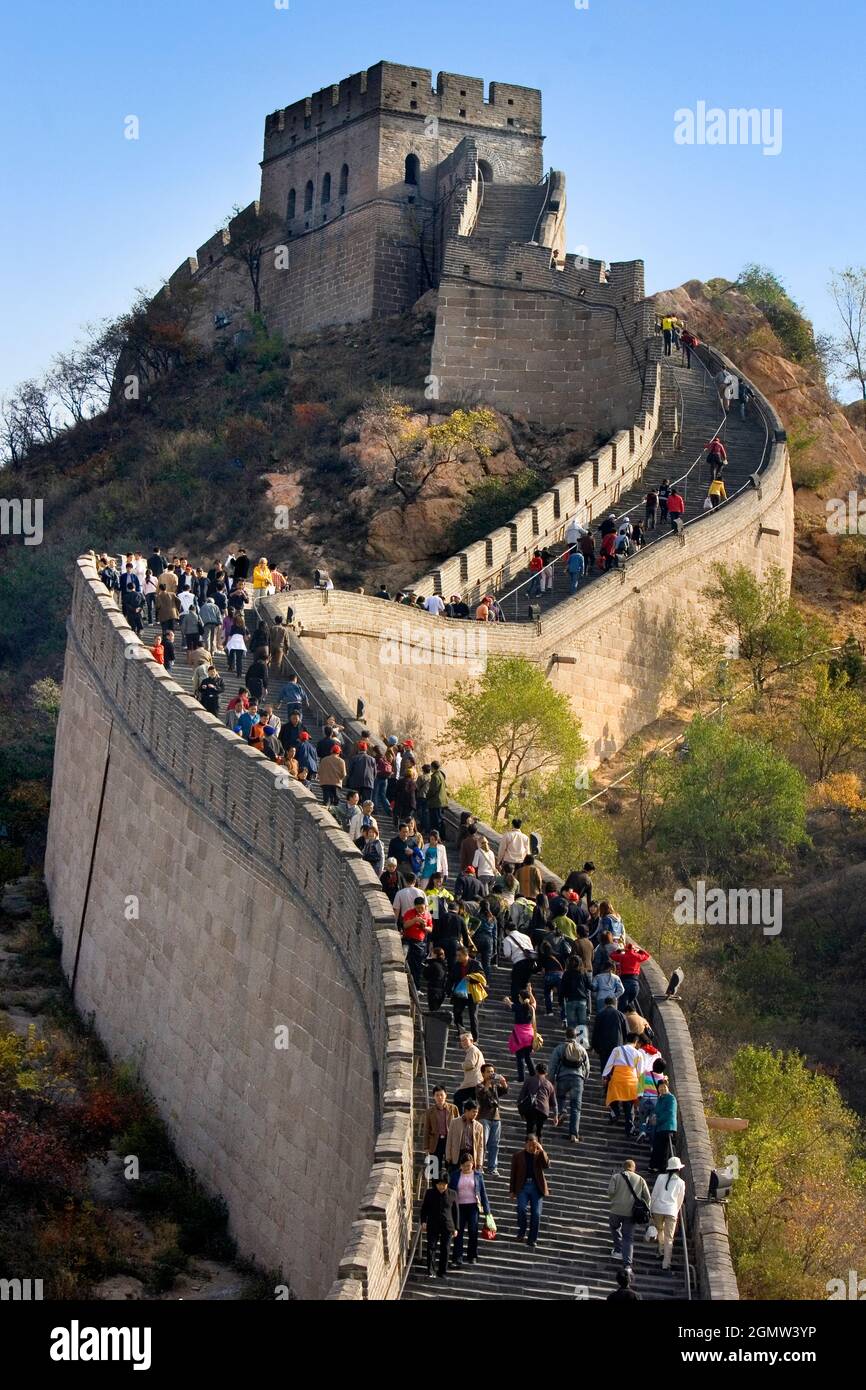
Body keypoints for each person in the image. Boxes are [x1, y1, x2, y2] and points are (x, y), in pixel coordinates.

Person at [448, 1152, 491, 1267]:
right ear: (461, 1166)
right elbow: (450, 1192)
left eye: (470, 1165)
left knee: (473, 1231)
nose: (468, 1167)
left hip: (473, 1206)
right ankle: (457, 1257)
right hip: (459, 1207)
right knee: (459, 1232)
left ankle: (472, 1255)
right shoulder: (455, 1175)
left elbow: (483, 1193)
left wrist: (488, 1212)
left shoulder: (478, 1175)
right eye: (465, 1165)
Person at [608, 1159, 650, 1273]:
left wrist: (615, 1200)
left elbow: (610, 1192)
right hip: (631, 1213)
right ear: (634, 1168)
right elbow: (647, 1198)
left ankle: (618, 1250)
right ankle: (627, 1265)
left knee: (614, 1227)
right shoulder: (640, 1179)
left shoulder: (616, 1177)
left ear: (623, 1167)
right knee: (628, 1238)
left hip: (616, 1210)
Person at [509, 1134, 550, 1250]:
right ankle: (522, 1231)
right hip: (523, 1187)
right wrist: (512, 1190)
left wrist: (541, 1150)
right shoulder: (518, 1156)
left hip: (536, 1188)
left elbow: (547, 1165)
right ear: (525, 1144)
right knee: (521, 1208)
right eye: (530, 1144)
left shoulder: (539, 1155)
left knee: (536, 1214)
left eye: (534, 1144)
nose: (532, 1147)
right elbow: (513, 1174)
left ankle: (532, 1239)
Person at [549, 1027, 589, 1142]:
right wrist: (583, 1080)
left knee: (560, 1097)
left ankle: (562, 1112)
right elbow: (587, 1067)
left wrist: (551, 1080)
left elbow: (552, 1066)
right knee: (576, 1107)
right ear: (576, 1037)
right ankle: (573, 1134)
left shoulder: (559, 1048)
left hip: (563, 1077)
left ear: (565, 1036)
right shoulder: (582, 1049)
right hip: (578, 1079)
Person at [603, 1035, 644, 1137]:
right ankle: (629, 1128)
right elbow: (641, 1073)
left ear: (626, 1040)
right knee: (628, 1106)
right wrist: (641, 1090)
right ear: (636, 1041)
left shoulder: (617, 1050)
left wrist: (604, 1076)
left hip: (618, 1079)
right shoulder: (638, 1054)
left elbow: (609, 1064)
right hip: (631, 1081)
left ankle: (615, 1112)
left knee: (614, 1097)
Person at [651, 1156, 686, 1270]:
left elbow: (654, 1194)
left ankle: (661, 1250)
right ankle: (666, 1262)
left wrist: (650, 1207)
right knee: (669, 1237)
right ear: (678, 1169)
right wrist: (675, 1211)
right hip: (671, 1210)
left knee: (660, 1231)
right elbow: (680, 1200)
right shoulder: (681, 1182)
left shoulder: (661, 1177)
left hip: (658, 1209)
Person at [420, 1174, 457, 1280]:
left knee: (445, 1249)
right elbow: (424, 1209)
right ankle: (430, 1271)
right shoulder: (430, 1193)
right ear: (436, 1184)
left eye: (444, 1184)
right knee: (431, 1247)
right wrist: (423, 1221)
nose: (441, 1187)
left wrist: (456, 1228)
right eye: (439, 1184)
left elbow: (455, 1212)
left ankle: (442, 1272)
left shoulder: (453, 1194)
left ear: (447, 1184)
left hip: (447, 1226)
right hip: (433, 1224)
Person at [476, 1064, 508, 1177]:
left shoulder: (494, 1086)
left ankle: (492, 1168)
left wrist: (503, 1082)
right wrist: (488, 1084)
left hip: (496, 1118)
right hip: (484, 1117)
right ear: (483, 1074)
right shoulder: (479, 1086)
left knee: (494, 1145)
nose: (491, 1074)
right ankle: (479, 1166)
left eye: (492, 1072)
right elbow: (482, 1098)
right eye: (488, 1072)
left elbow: (504, 1091)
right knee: (482, 1144)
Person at [517, 1061, 558, 1140]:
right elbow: (554, 1103)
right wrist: (555, 1116)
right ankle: (539, 1147)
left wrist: (520, 1110)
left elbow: (521, 1096)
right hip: (543, 1110)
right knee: (539, 1131)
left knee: (530, 1130)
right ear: (546, 1073)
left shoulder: (529, 1080)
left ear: (536, 1070)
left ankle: (530, 1148)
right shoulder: (550, 1085)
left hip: (531, 1108)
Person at [424, 1085, 458, 1179]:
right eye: (437, 1095)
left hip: (449, 1141)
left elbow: (458, 1126)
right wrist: (426, 1147)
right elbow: (427, 1129)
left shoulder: (453, 1109)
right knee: (434, 1169)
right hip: (435, 1142)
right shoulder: (429, 1111)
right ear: (434, 1097)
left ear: (445, 1095)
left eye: (441, 1095)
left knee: (450, 1167)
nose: (439, 1097)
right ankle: (435, 1188)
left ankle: (449, 1189)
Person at [505, 987, 537, 1082]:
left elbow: (509, 1003)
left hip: (519, 1035)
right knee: (527, 1056)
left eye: (519, 996)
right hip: (529, 1034)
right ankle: (533, 1074)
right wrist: (530, 993)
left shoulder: (518, 1007)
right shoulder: (531, 1007)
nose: (518, 997)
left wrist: (507, 1000)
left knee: (520, 1057)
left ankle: (521, 1077)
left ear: (521, 998)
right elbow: (534, 1001)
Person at [445, 1098, 485, 1174]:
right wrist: (448, 1156)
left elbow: (480, 1145)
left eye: (476, 1112)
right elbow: (449, 1140)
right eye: (473, 1112)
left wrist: (479, 1162)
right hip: (457, 1154)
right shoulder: (454, 1122)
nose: (475, 1114)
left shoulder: (479, 1126)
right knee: (455, 1179)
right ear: (466, 1111)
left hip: (471, 1155)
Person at [592, 996, 628, 1075]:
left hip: (603, 1046)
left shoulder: (600, 1014)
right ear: (615, 1004)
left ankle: (605, 1083)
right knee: (615, 1066)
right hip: (617, 1045)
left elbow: (596, 1031)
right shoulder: (621, 1015)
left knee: (605, 1066)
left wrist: (594, 1046)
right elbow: (626, 1032)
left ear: (605, 1004)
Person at [610, 942, 650, 1010]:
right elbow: (647, 956)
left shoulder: (622, 956)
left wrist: (619, 950)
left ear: (626, 949)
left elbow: (612, 955)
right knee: (630, 1005)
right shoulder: (638, 956)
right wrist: (639, 950)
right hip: (635, 983)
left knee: (622, 1005)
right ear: (633, 949)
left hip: (624, 982)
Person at [501, 922, 536, 998]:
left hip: (519, 963)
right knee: (525, 983)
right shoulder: (526, 936)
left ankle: (516, 1003)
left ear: (507, 930)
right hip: (530, 963)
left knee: (516, 984)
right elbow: (531, 949)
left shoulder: (507, 939)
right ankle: (527, 1003)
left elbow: (507, 954)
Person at [650, 1081, 678, 1172]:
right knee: (657, 1146)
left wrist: (657, 1120)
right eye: (660, 1087)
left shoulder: (671, 1098)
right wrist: (653, 1117)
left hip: (668, 1126)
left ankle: (662, 1168)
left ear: (668, 1087)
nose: (662, 1089)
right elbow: (656, 1111)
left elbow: (669, 1113)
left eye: (664, 1087)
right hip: (660, 1127)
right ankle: (654, 1166)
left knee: (664, 1148)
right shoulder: (660, 1099)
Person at [453, 1034, 485, 1113]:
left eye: (465, 1040)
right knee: (472, 1104)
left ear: (471, 1041)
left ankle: (461, 1118)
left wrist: (462, 1065)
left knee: (457, 1097)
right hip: (476, 1082)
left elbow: (470, 1064)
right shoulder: (475, 1050)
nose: (463, 1042)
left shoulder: (472, 1050)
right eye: (462, 1041)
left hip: (473, 1083)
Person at [426, 761, 448, 835]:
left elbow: (432, 790)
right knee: (440, 820)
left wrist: (427, 796)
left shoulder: (435, 776)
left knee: (435, 821)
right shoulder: (441, 775)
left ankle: (436, 837)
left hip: (436, 802)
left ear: (432, 767)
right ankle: (441, 836)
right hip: (441, 802)